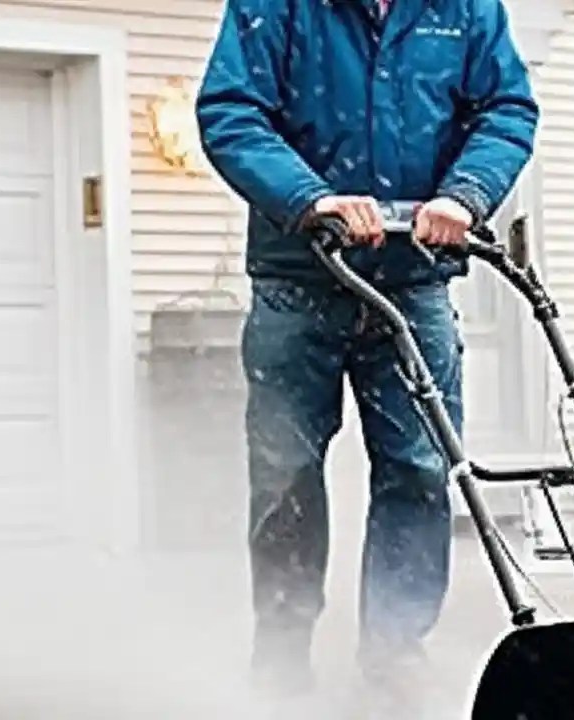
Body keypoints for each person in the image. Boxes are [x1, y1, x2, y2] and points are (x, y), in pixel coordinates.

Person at [195, 0, 539, 714]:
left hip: (415, 282)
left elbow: (506, 109)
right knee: (285, 472)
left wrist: (464, 196)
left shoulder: (465, 9)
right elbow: (232, 110)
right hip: (299, 281)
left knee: (419, 469)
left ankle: (394, 652)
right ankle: (283, 652)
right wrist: (311, 197)